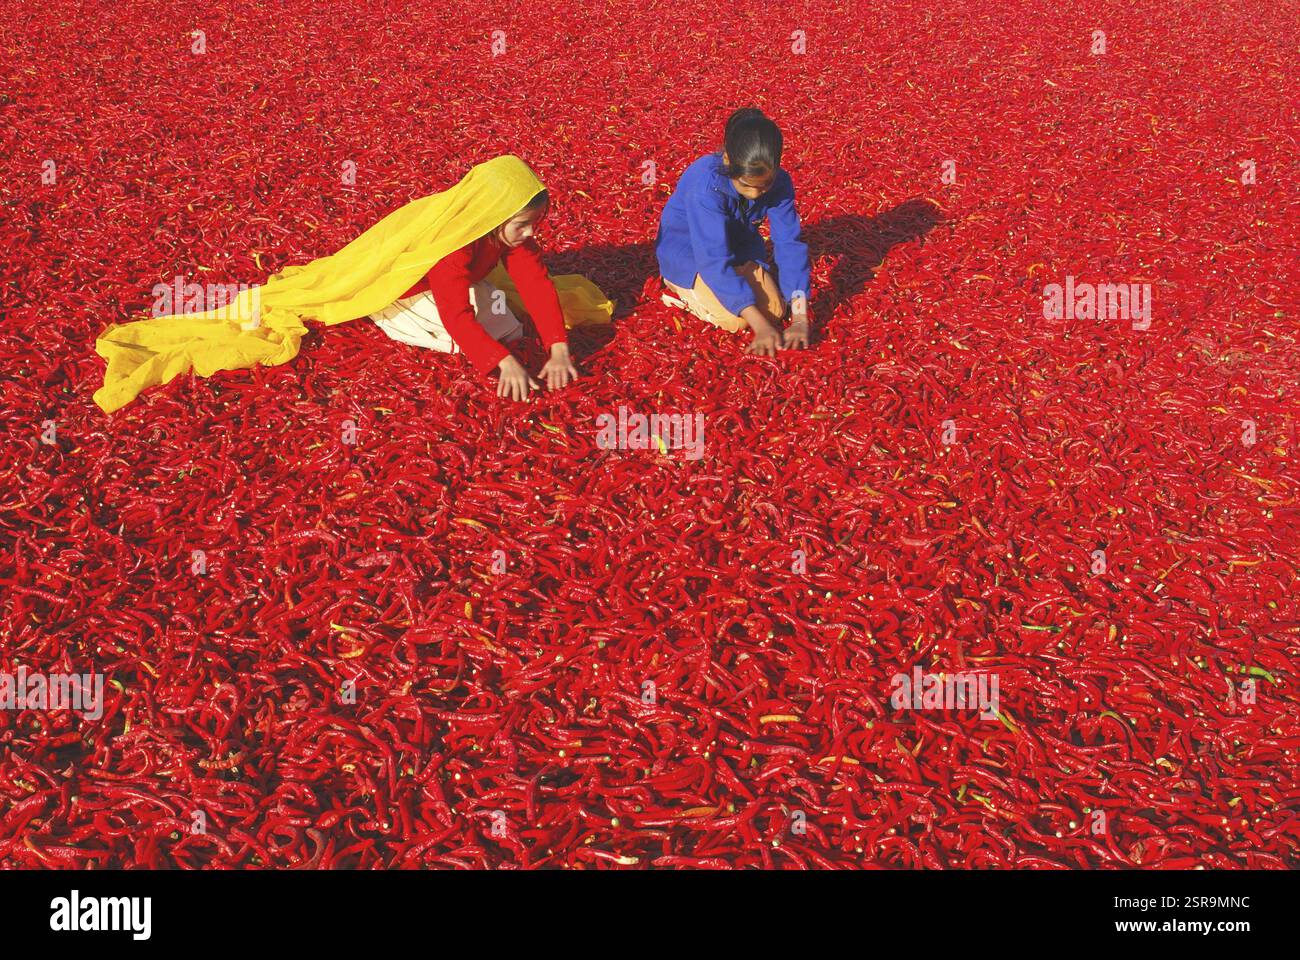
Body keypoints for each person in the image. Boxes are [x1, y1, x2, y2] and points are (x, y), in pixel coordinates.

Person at [368, 190, 579, 401]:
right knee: (456, 335)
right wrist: (503, 360)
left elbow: (536, 286)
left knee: (504, 320)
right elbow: (455, 314)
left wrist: (558, 346)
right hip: (407, 288)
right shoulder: (454, 244)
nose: (530, 232)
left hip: (454, 283)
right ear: (496, 218)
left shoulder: (507, 234)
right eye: (522, 224)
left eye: (535, 222)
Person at [655, 107, 812, 356]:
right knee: (736, 322)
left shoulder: (780, 183)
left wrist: (801, 319)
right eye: (746, 185)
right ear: (728, 160)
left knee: (777, 311)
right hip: (689, 253)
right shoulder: (706, 187)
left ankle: (735, 288)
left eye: (765, 186)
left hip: (739, 249)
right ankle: (678, 285)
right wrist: (760, 327)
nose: (755, 194)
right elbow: (712, 257)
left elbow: (789, 244)